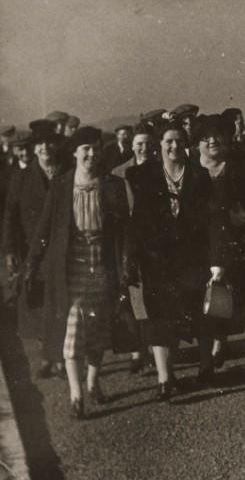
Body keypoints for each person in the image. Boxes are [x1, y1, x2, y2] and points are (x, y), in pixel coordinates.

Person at [23, 127, 129, 419]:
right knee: (72, 329)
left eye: (96, 148)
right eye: (85, 149)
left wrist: (125, 266)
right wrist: (31, 263)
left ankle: (94, 382)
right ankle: (76, 395)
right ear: (74, 152)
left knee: (98, 329)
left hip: (103, 264)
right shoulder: (61, 185)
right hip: (71, 266)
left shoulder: (112, 185)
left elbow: (123, 232)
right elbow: (44, 229)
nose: (92, 154)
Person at [126, 120, 226, 401]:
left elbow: (214, 221)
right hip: (156, 259)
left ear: (187, 145)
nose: (174, 146)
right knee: (159, 316)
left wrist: (217, 260)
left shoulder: (199, 176)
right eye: (168, 140)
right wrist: (132, 258)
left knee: (200, 312)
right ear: (160, 145)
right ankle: (165, 378)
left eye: (179, 141)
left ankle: (206, 366)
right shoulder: (144, 176)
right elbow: (137, 222)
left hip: (194, 258)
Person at [3, 125, 67, 378]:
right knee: (38, 301)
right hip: (34, 250)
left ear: (55, 145)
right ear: (34, 148)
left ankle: (61, 358)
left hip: (64, 248)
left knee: (62, 301)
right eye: (40, 145)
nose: (45, 149)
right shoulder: (21, 177)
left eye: (49, 143)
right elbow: (10, 215)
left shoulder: (65, 172)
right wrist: (9, 250)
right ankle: (46, 355)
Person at [192, 114, 245, 372]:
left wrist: (243, 216)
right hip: (198, 244)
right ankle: (206, 353)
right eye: (206, 138)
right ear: (197, 144)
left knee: (226, 297)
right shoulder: (191, 169)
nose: (212, 141)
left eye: (217, 136)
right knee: (199, 299)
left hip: (232, 242)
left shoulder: (238, 168)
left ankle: (220, 342)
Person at [111, 123, 157, 374]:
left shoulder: (161, 169)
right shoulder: (119, 174)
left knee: (152, 295)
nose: (144, 149)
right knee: (130, 297)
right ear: (131, 145)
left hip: (154, 242)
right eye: (139, 144)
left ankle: (153, 348)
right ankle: (136, 352)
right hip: (127, 241)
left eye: (149, 144)